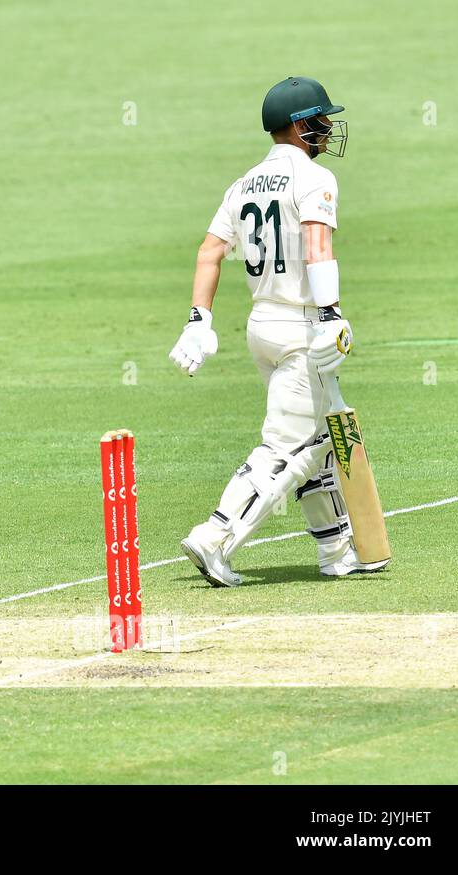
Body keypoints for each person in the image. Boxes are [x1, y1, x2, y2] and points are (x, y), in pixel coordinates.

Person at [169, 77, 387, 586]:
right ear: (297, 125)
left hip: (262, 327)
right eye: (320, 119)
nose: (328, 128)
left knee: (318, 439)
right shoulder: (315, 178)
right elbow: (317, 247)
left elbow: (209, 252)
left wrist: (199, 319)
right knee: (287, 446)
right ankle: (216, 536)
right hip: (302, 327)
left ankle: (335, 550)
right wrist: (330, 313)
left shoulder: (243, 183)